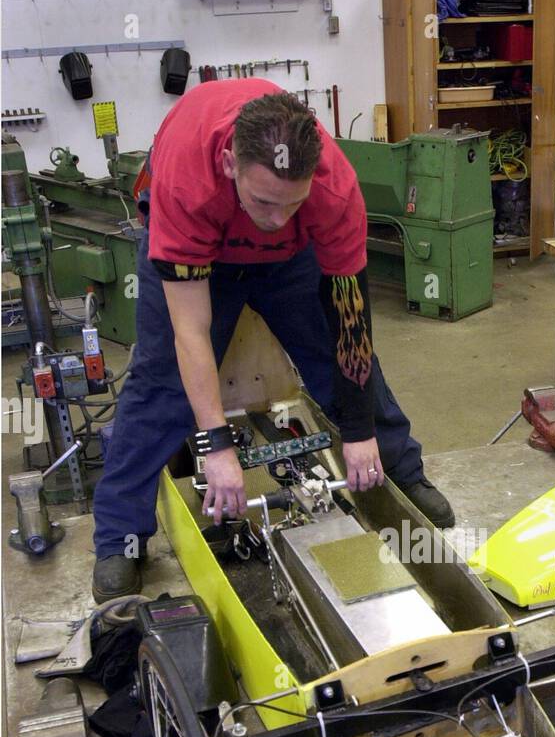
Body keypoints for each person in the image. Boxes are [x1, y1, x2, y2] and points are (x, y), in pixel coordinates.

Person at [91, 80, 454, 601]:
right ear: (229, 163)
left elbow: (351, 322)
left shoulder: (333, 190)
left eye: (292, 203)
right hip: (203, 256)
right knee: (160, 382)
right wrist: (214, 446)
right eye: (264, 200)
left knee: (338, 357)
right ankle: (119, 537)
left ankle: (402, 473)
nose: (275, 219)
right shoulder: (187, 184)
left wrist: (357, 431)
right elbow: (189, 332)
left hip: (290, 261)